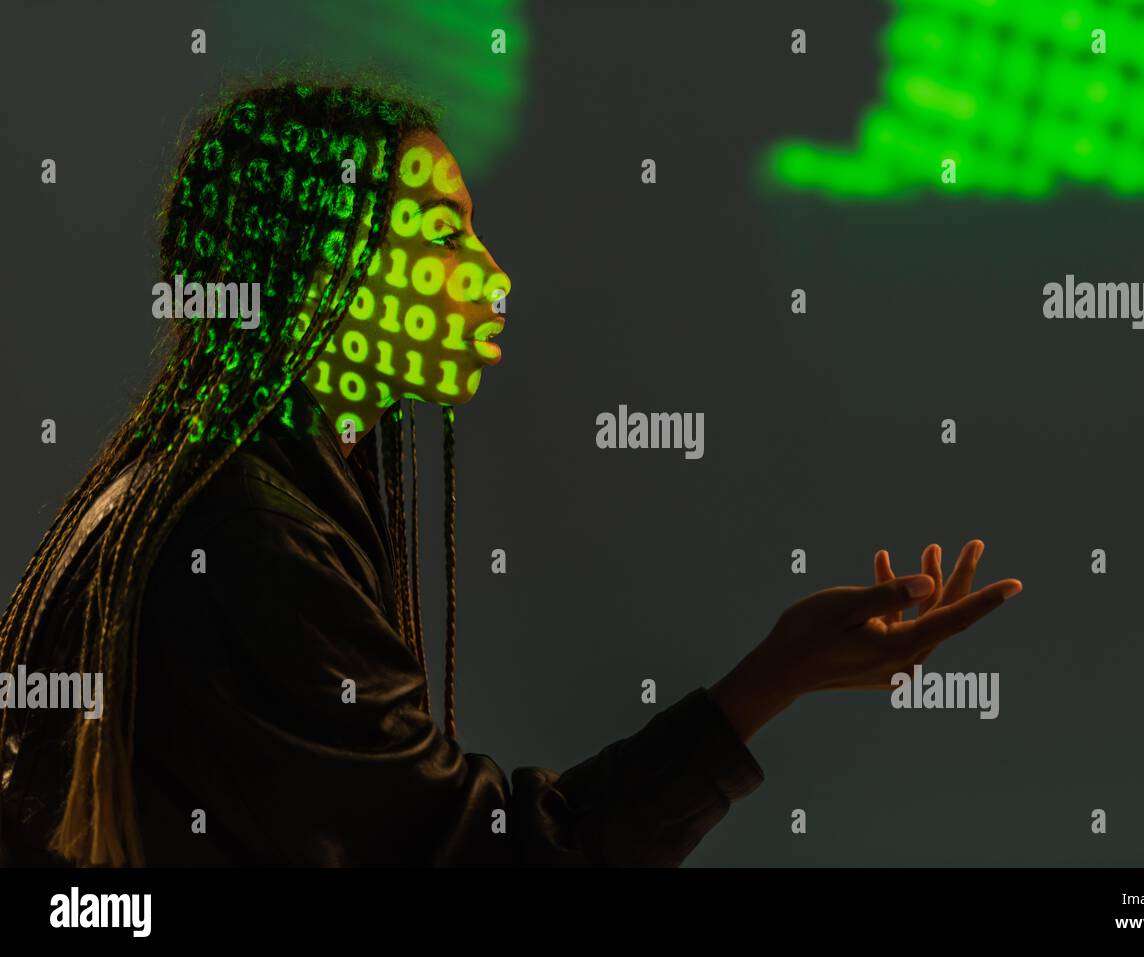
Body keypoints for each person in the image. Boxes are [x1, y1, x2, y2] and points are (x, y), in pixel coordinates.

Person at [0, 80, 1022, 867]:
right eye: (442, 233)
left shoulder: (184, 495)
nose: (493, 278)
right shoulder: (249, 536)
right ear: (323, 267)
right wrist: (773, 681)